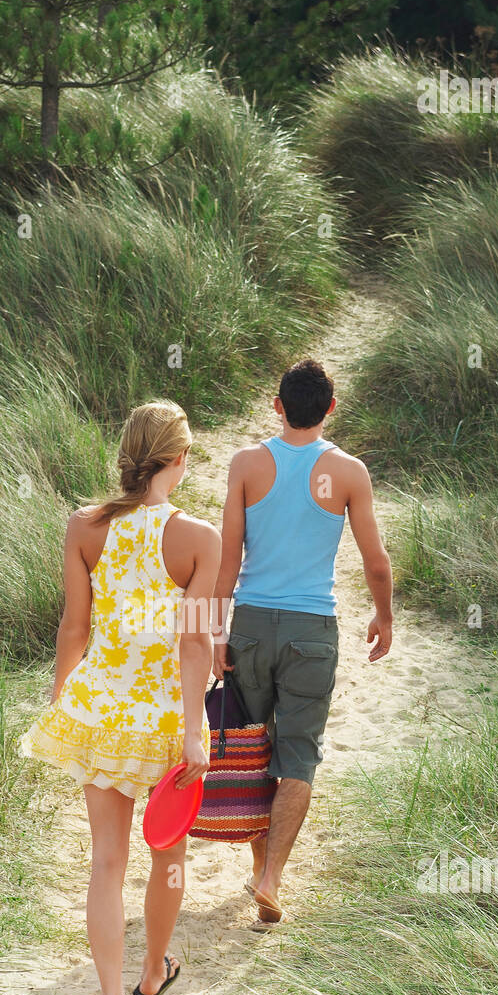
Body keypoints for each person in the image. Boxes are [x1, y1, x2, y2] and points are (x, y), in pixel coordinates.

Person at [19, 401, 221, 995]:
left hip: (98, 709)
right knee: (168, 855)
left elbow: (72, 628)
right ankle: (152, 973)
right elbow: (195, 647)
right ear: (179, 459)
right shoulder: (198, 539)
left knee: (106, 861)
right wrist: (195, 732)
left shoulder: (85, 525)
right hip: (163, 717)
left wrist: (62, 704)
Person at [211, 359, 393, 924]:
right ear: (331, 409)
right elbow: (376, 561)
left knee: (251, 746)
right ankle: (270, 879)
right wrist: (384, 615)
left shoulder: (246, 464)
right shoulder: (349, 472)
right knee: (298, 755)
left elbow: (228, 556)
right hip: (312, 630)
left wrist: (216, 628)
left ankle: (261, 867)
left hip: (251, 624)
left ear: (277, 404)